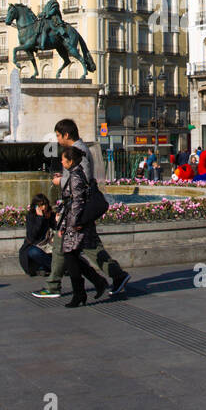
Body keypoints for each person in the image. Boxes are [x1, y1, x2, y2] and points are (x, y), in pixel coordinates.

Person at [34, 119, 130, 299]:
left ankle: (55, 286)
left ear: (66, 135)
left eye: (58, 135)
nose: (57, 139)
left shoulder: (80, 151)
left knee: (85, 248)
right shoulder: (77, 150)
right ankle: (115, 276)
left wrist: (60, 181)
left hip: (78, 210)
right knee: (76, 247)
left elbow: (81, 181)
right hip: (76, 209)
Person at [53, 146, 106, 307]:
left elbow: (77, 202)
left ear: (70, 161)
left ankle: (80, 293)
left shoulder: (76, 176)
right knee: (73, 256)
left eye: (63, 159)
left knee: (70, 257)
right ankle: (97, 282)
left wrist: (74, 224)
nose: (61, 161)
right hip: (73, 221)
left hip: (75, 223)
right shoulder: (76, 173)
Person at [21, 193, 56, 277]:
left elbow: (56, 229)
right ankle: (55, 268)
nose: (43, 207)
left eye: (45, 204)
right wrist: (40, 218)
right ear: (36, 206)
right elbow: (33, 235)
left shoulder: (51, 215)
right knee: (33, 252)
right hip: (36, 245)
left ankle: (46, 268)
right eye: (41, 205)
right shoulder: (31, 216)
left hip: (50, 245)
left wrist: (54, 219)